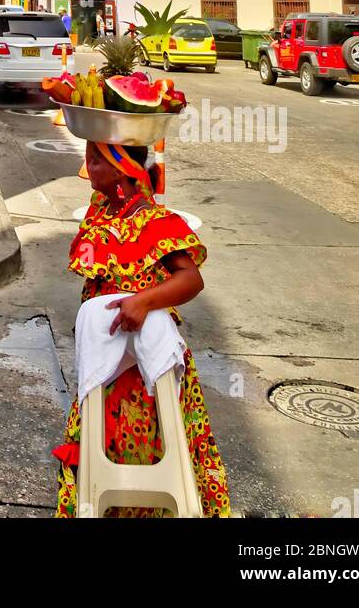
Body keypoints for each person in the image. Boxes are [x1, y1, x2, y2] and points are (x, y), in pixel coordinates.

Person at [53, 138, 230, 517]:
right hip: (104, 364)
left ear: (122, 170)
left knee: (151, 450)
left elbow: (191, 279)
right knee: (100, 448)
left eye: (95, 161)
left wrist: (144, 301)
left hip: (147, 371)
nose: (87, 168)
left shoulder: (155, 221)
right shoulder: (101, 211)